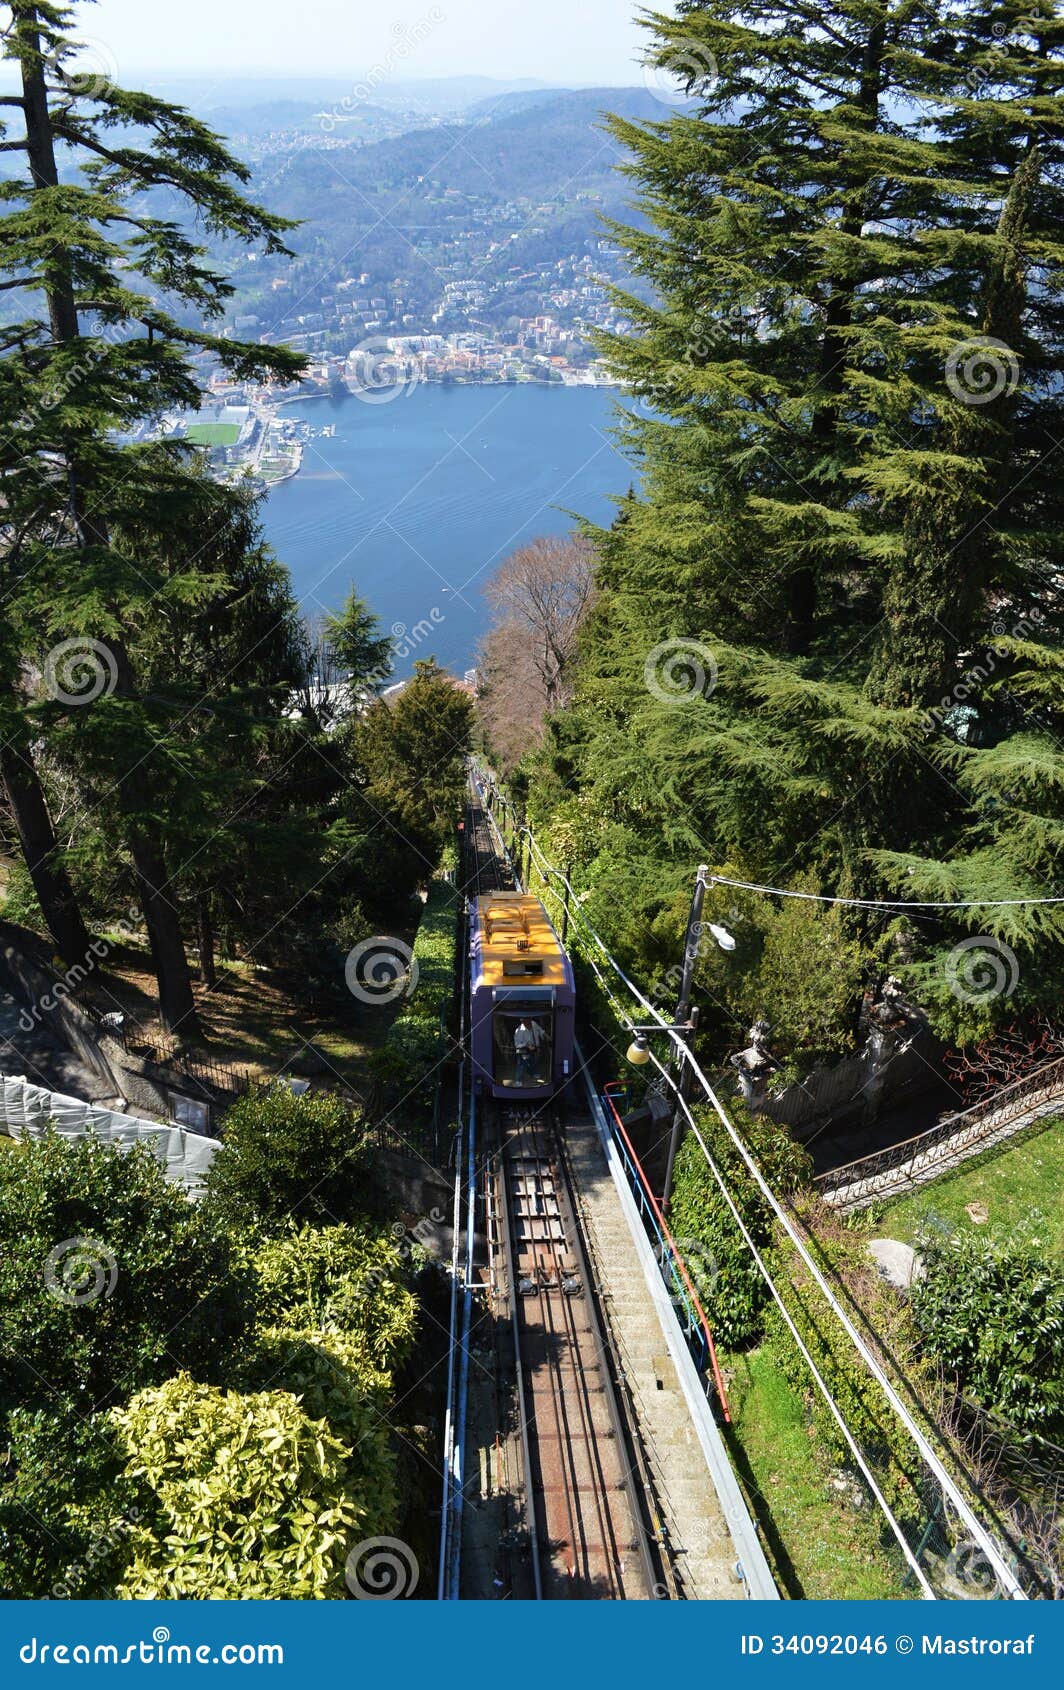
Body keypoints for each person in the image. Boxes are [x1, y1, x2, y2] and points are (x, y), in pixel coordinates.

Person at [513, 1019, 543, 1084]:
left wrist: (545, 1036)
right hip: (522, 1051)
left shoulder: (533, 1023)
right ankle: (518, 1081)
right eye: (526, 1021)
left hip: (533, 1049)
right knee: (521, 1066)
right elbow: (517, 1045)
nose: (529, 1023)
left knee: (533, 1062)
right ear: (523, 1022)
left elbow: (541, 1031)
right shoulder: (519, 1031)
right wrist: (526, 1045)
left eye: (529, 1020)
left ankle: (533, 1074)